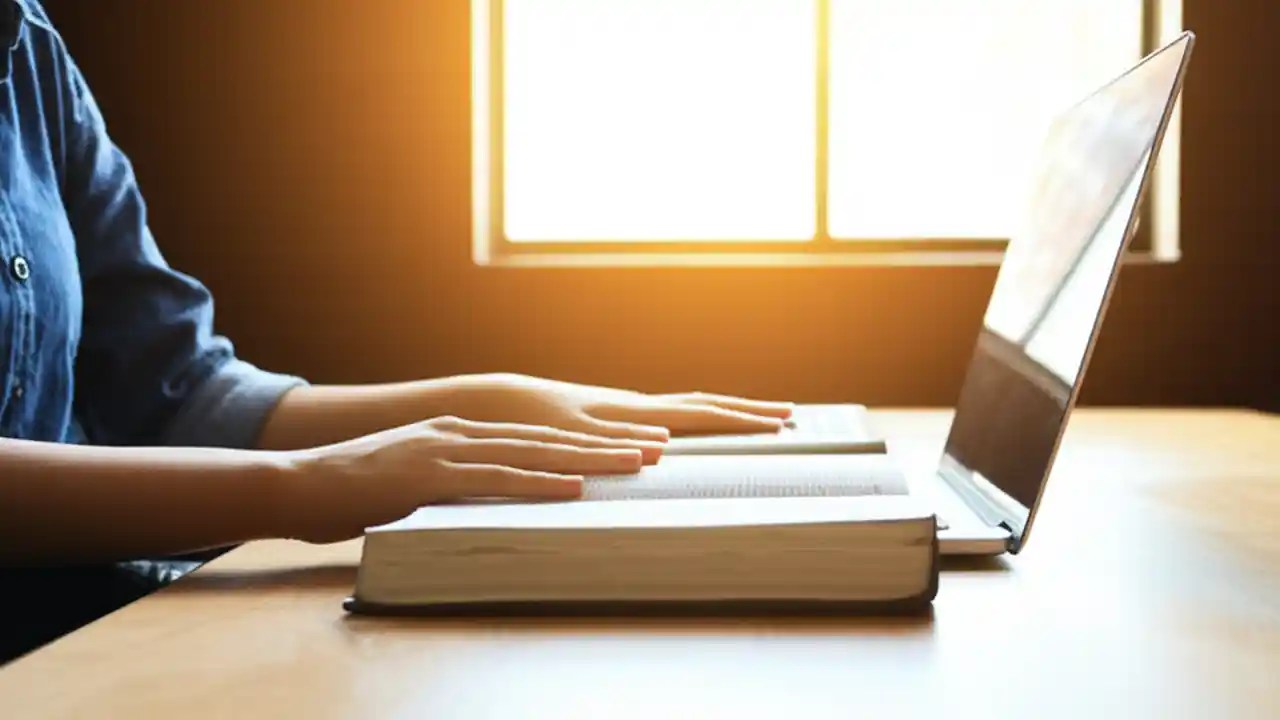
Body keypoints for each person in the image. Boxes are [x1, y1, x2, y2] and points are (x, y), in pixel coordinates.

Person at [0, 0, 792, 660]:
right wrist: (305, 487)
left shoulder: (28, 48)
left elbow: (174, 393)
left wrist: (493, 401)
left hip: (81, 635)